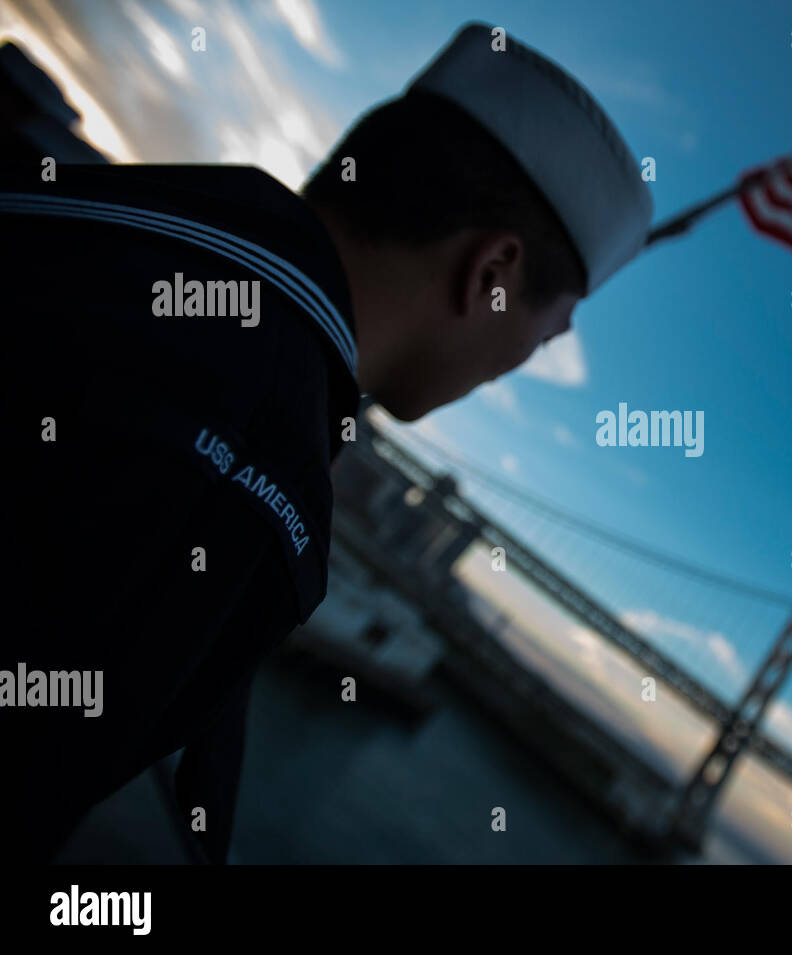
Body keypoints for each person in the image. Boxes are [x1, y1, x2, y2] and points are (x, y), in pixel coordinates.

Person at [0, 20, 653, 864]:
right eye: (547, 332)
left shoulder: (105, 208)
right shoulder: (253, 476)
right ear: (492, 274)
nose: (520, 362)